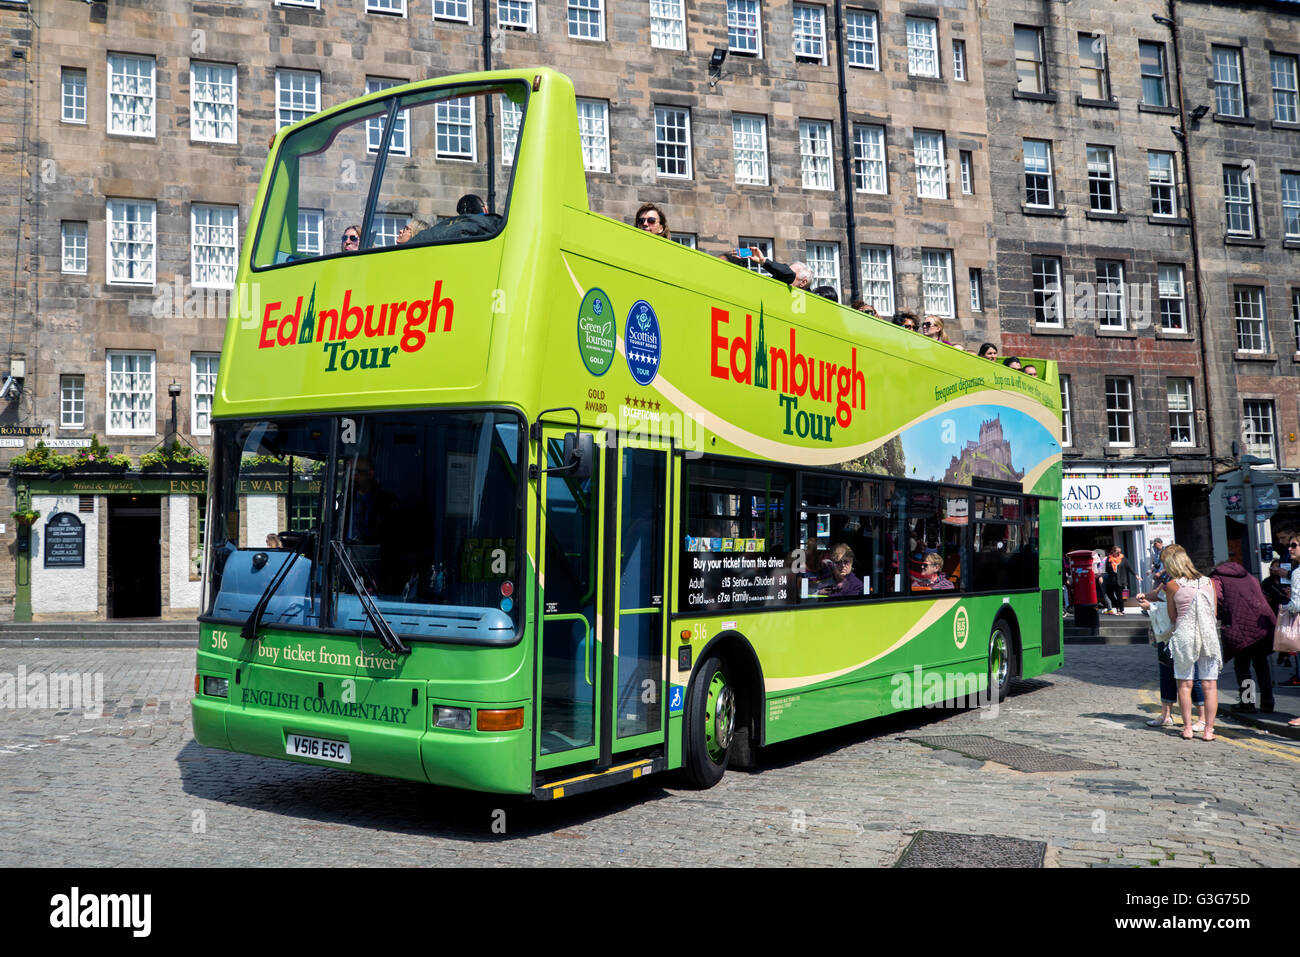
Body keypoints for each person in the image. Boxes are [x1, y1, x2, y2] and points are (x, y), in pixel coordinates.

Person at [1161, 544, 1222, 741]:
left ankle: (1187, 728)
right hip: (1208, 634)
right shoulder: (1209, 582)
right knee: (1209, 684)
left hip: (1185, 634)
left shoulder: (1172, 586)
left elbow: (1172, 616)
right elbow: (1213, 613)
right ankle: (1208, 730)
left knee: (1185, 684)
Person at [1210, 559, 1277, 714]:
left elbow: (1217, 600)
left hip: (1241, 627)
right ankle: (1268, 703)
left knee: (1243, 666)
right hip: (1262, 625)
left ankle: (1248, 703)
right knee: (1261, 665)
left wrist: (1222, 615)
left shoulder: (1217, 578)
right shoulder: (1248, 576)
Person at [1138, 584, 1207, 731]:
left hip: (1184, 634)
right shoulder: (1168, 583)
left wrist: (1152, 607)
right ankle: (1166, 715)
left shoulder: (1188, 584)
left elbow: (1173, 611)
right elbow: (1158, 595)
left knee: (1191, 677)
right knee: (1166, 674)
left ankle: (1202, 718)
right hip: (1168, 636)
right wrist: (1147, 598)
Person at [1103, 545, 1135, 614]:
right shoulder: (1109, 559)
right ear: (1113, 552)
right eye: (1117, 552)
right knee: (1109, 594)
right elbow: (1106, 570)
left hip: (1120, 580)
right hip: (1111, 580)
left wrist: (1135, 575)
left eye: (1120, 552)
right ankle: (1117, 605)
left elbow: (1129, 567)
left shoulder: (1123, 559)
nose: (1119, 554)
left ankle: (1121, 610)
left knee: (1119, 595)